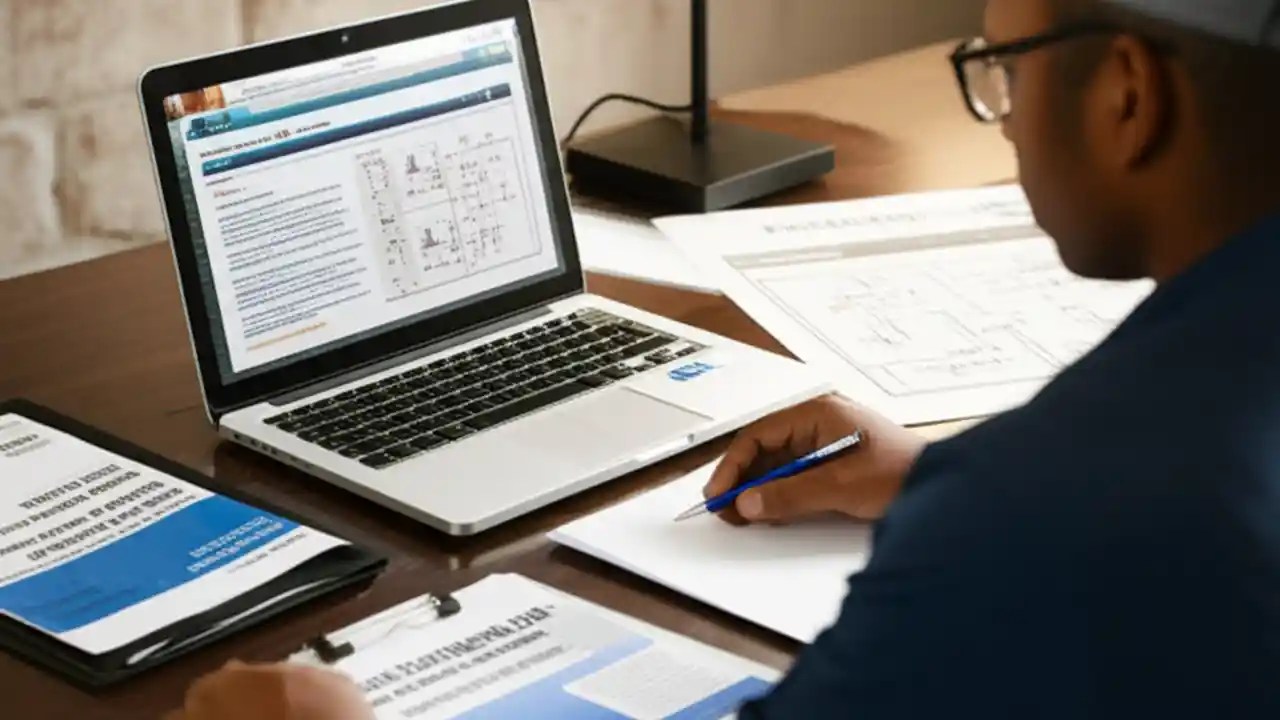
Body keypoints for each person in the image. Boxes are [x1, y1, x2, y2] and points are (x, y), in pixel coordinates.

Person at [164, 0, 1280, 717]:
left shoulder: (1042, 513)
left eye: (1003, 72)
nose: (998, 118)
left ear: (1127, 96)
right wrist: (932, 478)